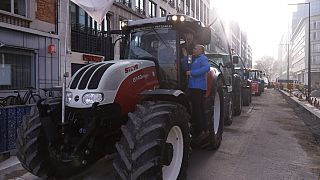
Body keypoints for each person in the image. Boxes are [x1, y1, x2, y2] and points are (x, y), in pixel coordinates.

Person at [181, 44, 210, 143]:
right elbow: (185, 66)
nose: (193, 49)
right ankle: (204, 130)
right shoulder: (192, 58)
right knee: (199, 108)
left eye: (195, 48)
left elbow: (207, 68)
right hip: (192, 86)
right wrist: (185, 56)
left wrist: (192, 73)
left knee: (197, 108)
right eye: (194, 48)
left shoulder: (203, 58)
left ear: (201, 51)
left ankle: (200, 131)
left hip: (198, 87)